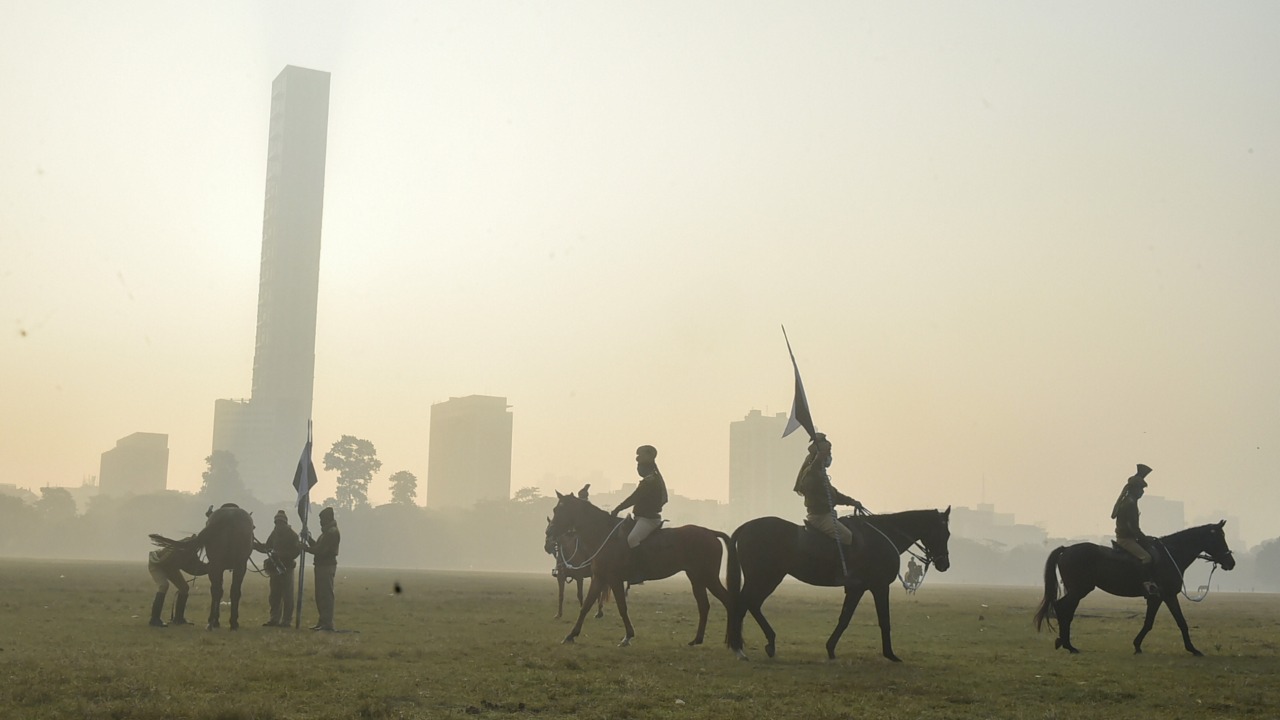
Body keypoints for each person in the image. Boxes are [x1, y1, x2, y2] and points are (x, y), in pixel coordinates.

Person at [794, 433, 864, 548]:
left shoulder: (820, 472)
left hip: (828, 515)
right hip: (820, 517)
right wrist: (819, 457)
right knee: (847, 536)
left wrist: (852, 502)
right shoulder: (812, 472)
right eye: (828, 453)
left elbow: (833, 494)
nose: (830, 456)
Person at [610, 445, 668, 584]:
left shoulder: (651, 481)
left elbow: (634, 498)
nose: (638, 467)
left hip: (648, 520)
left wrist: (618, 509)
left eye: (640, 463)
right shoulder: (649, 479)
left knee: (632, 539)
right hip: (639, 518)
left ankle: (639, 571)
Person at [1111, 463, 1159, 597]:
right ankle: (1147, 586)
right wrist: (1144, 538)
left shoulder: (1128, 501)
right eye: (1141, 489)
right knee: (1146, 557)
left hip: (1128, 537)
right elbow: (1133, 528)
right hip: (1126, 539)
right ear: (1135, 489)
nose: (1142, 492)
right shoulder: (1130, 504)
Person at [146, 532, 208, 627]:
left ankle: (179, 619)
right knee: (163, 585)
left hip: (170, 567)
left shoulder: (190, 552)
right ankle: (154, 619)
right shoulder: (177, 550)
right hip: (157, 565)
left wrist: (211, 567)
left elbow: (196, 567)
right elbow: (163, 561)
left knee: (184, 588)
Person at [253, 509, 301, 627]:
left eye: (280, 523)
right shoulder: (274, 533)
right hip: (275, 569)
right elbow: (267, 547)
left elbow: (296, 552)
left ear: (284, 523)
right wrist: (254, 546)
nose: (278, 525)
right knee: (274, 596)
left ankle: (286, 621)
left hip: (287, 568)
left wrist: (280, 554)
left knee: (287, 596)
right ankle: (274, 619)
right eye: (276, 523)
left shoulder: (292, 535)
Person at [303, 506, 341, 631]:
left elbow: (321, 551)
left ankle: (327, 623)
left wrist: (305, 548)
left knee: (326, 595)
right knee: (320, 595)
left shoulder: (332, 533)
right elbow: (318, 547)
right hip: (321, 566)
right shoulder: (326, 533)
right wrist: (308, 539)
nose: (320, 521)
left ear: (328, 518)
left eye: (322, 519)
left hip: (326, 566)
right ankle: (322, 621)